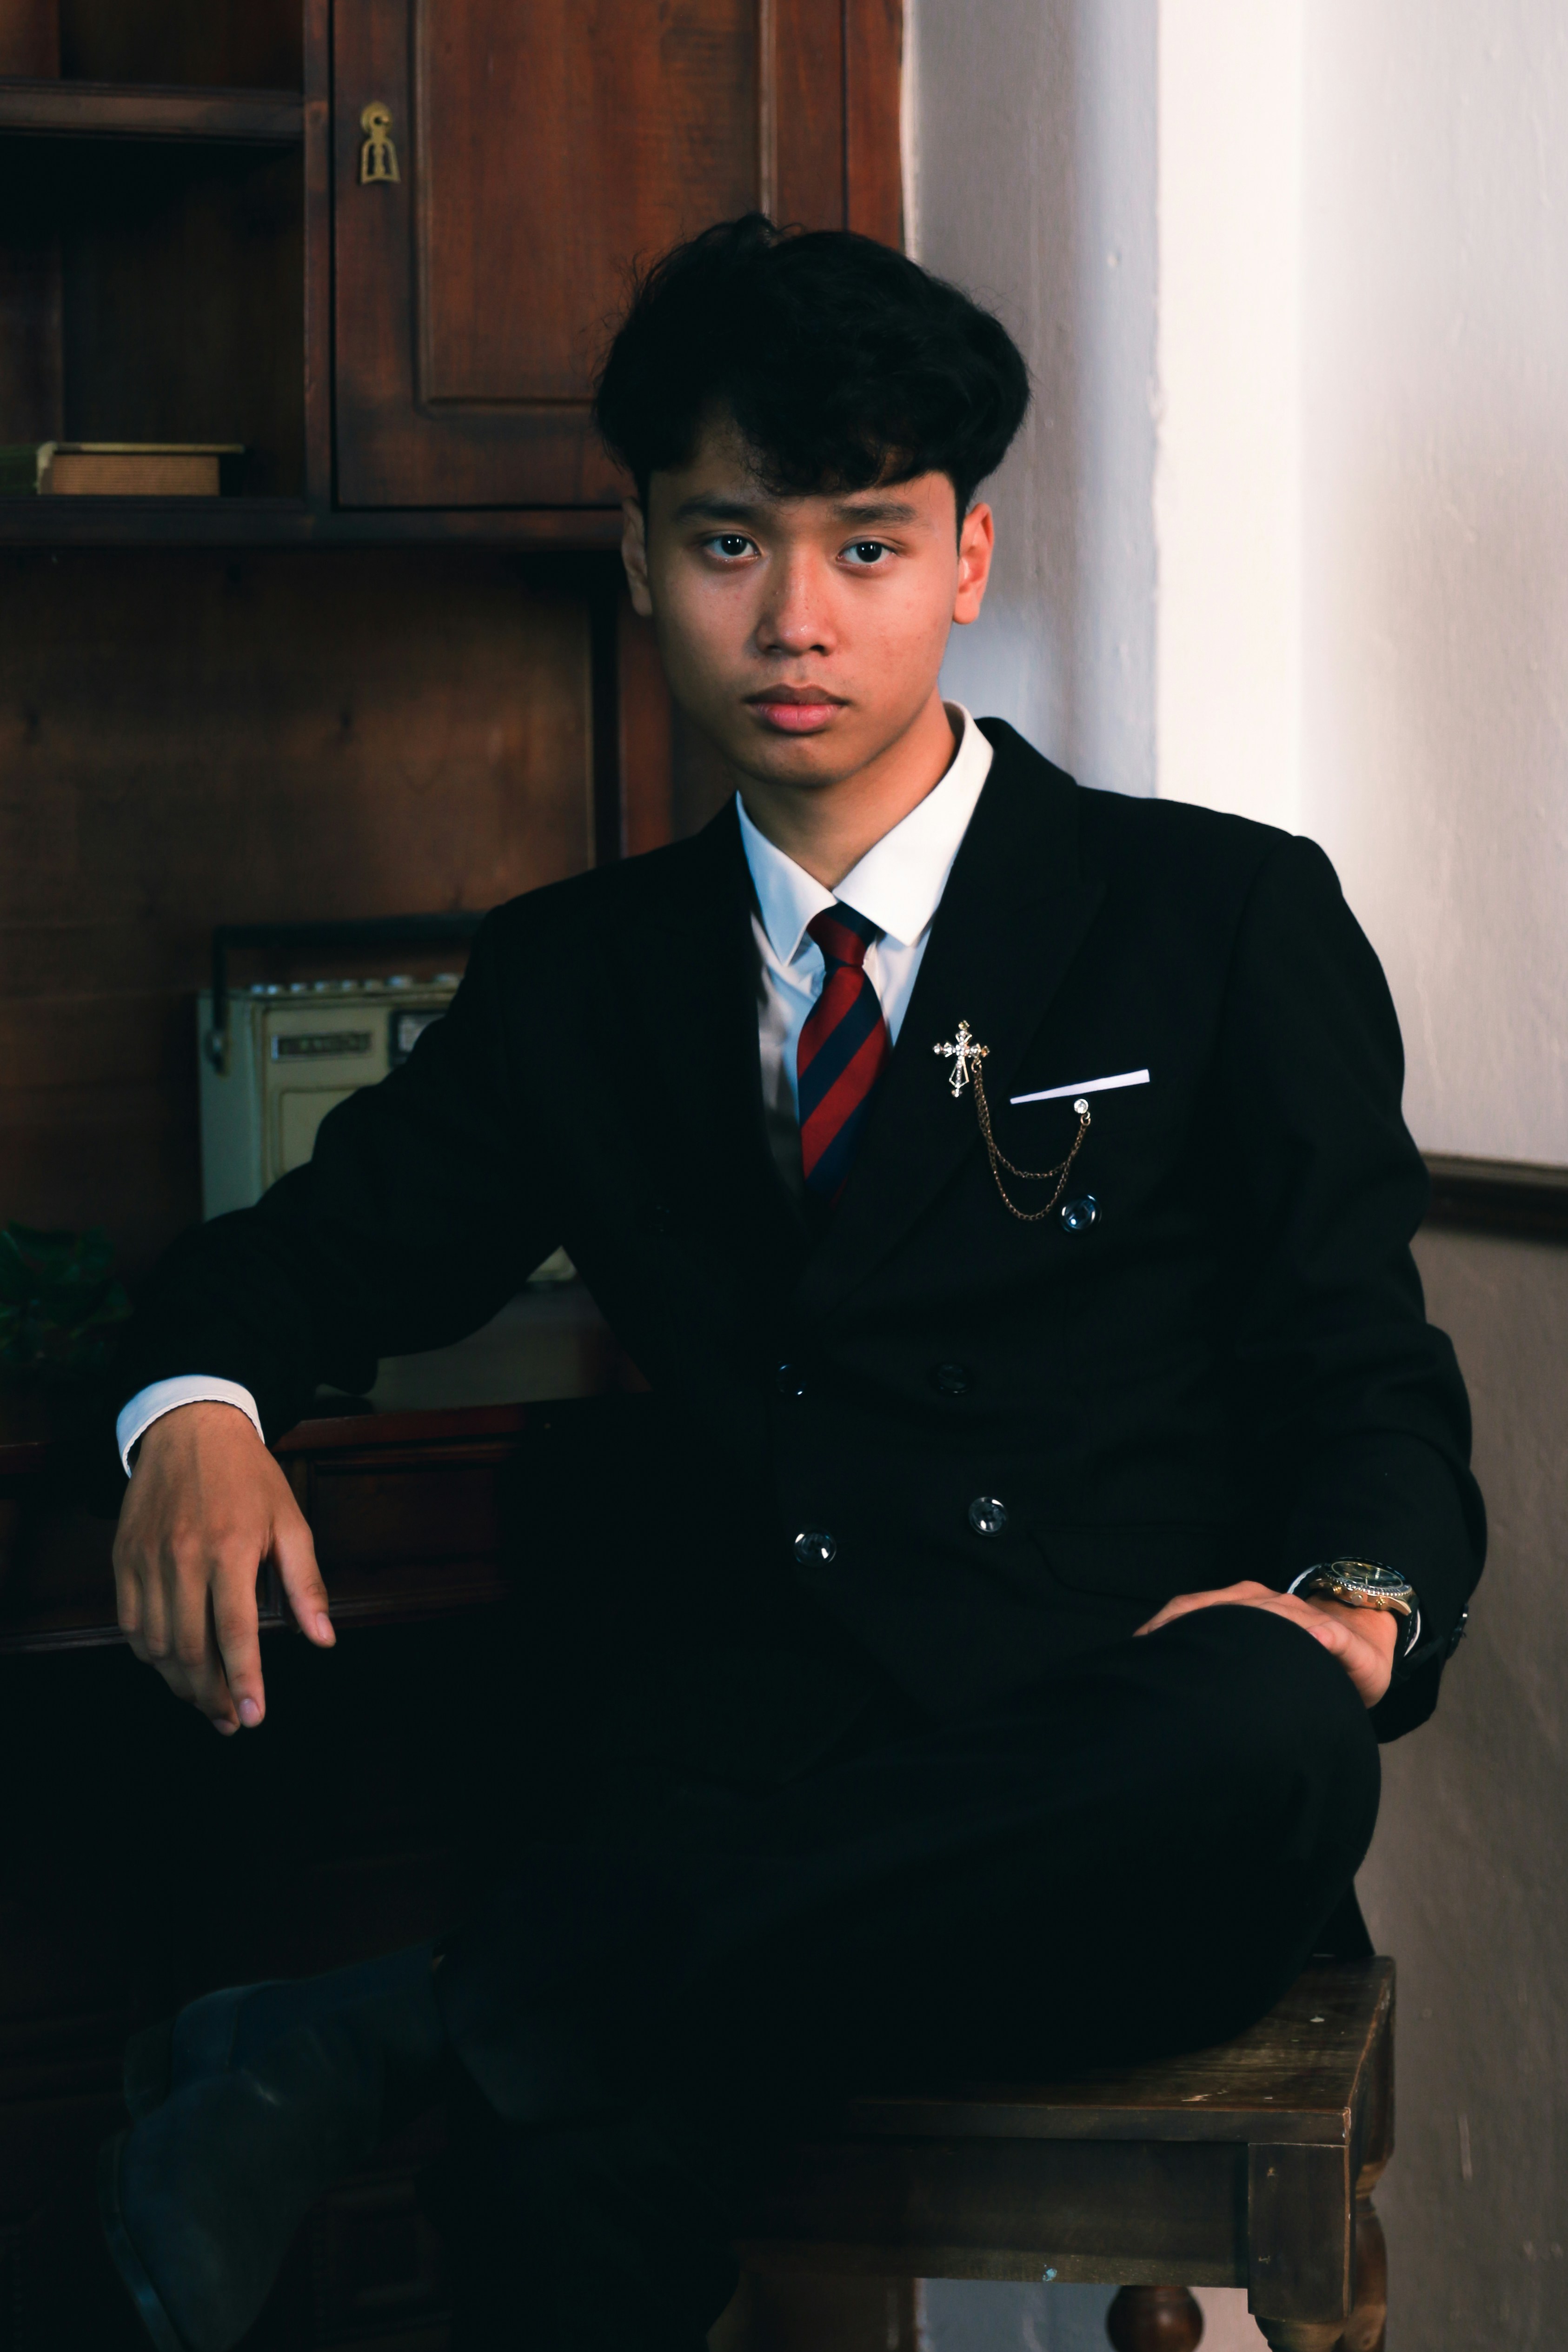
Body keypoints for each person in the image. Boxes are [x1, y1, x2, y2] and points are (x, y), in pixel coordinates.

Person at [98, 216, 1483, 2352]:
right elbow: (298, 1258)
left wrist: (1364, 1605)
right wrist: (192, 1405)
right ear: (643, 556)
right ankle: (468, 2031)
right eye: (735, 542)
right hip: (744, 1765)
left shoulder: (1213, 912)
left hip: (1109, 1765)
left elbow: (1366, 1366)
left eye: (866, 543)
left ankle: (382, 2033)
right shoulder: (576, 973)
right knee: (576, 2167)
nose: (799, 616)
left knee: (1271, 1707)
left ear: (969, 562)